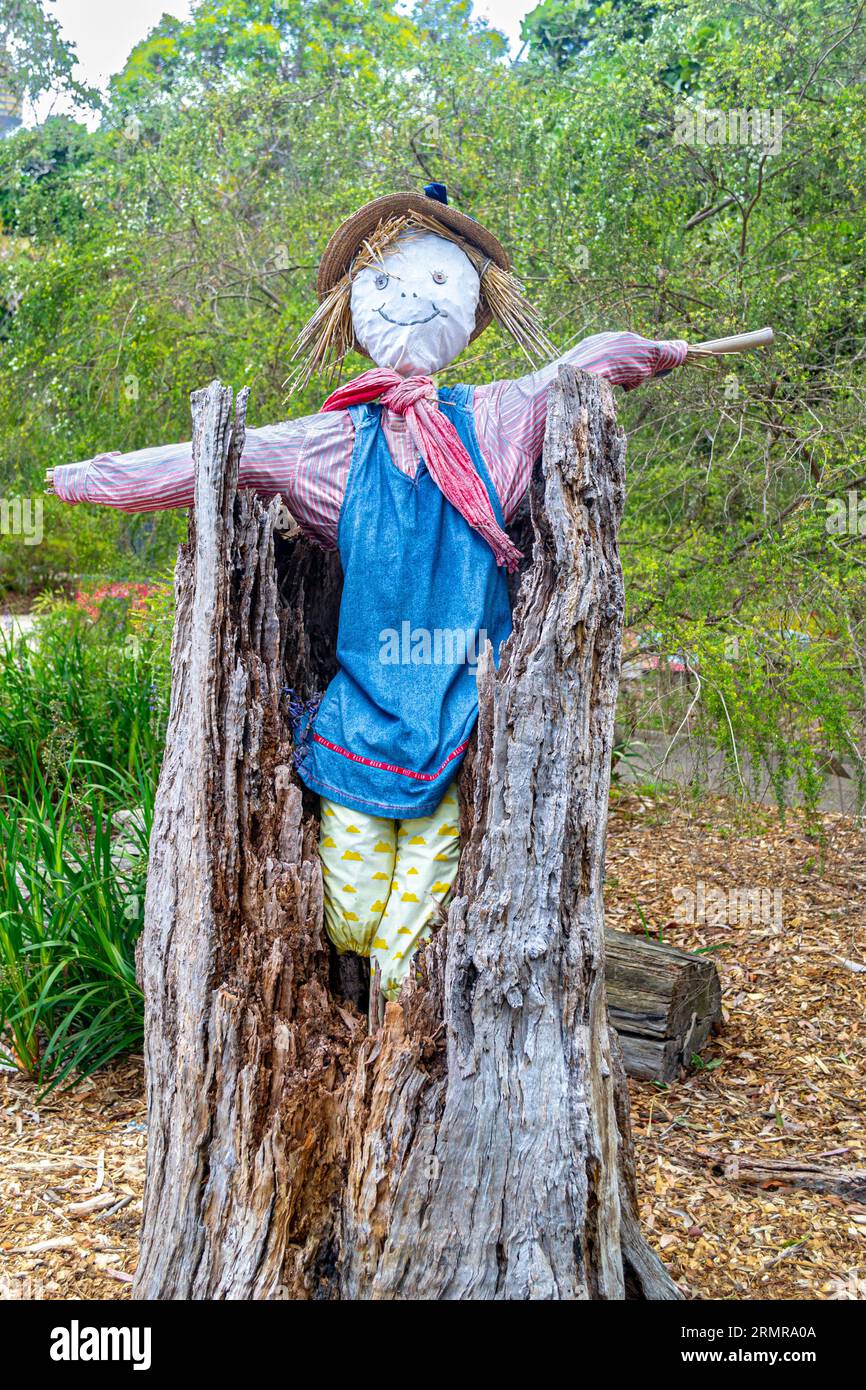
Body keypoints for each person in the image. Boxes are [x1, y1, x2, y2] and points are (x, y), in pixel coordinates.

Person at [51, 184, 689, 1000]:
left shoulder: (498, 420)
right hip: (363, 708)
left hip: (467, 713)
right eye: (384, 286)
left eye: (434, 281)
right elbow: (205, 459)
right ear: (353, 313)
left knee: (404, 939)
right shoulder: (327, 447)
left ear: (472, 301)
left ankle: (404, 1025)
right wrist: (84, 480)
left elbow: (590, 359)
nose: (412, 303)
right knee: (350, 915)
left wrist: (664, 350)